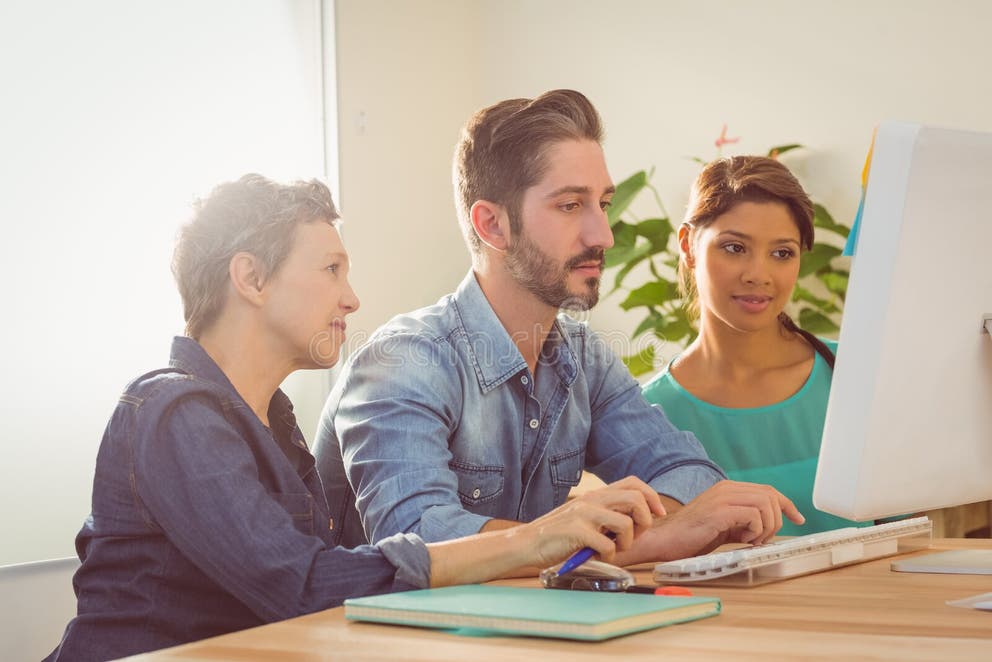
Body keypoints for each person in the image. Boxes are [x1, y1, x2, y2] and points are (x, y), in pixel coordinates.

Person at [45, 174, 666, 662]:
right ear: (251, 278)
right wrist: (531, 539)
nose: (352, 298)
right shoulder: (171, 411)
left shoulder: (274, 426)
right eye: (330, 270)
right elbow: (303, 587)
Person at [313, 89, 804, 565]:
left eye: (603, 204)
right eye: (571, 205)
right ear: (492, 226)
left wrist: (611, 537)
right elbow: (417, 542)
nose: (603, 235)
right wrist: (655, 540)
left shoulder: (583, 358)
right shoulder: (402, 363)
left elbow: (688, 473)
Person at [641, 155, 867, 534]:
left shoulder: (854, 375)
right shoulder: (648, 415)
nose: (758, 275)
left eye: (782, 253)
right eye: (734, 248)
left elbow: (904, 539)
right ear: (688, 246)